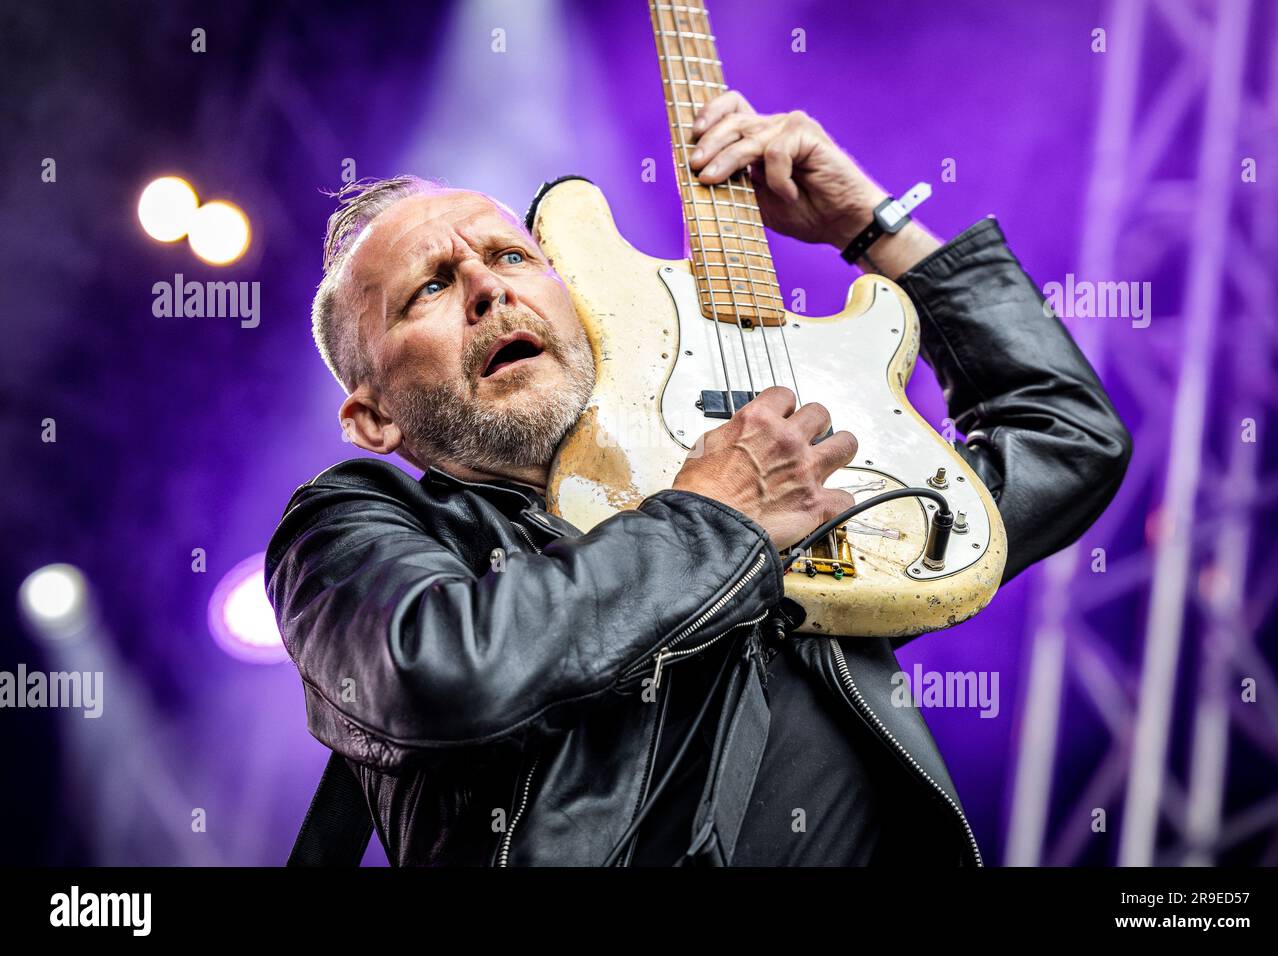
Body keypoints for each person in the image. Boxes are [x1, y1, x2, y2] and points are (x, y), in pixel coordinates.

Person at [265, 91, 1132, 866]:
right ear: (373, 419)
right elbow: (435, 674)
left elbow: (1066, 441)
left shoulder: (767, 481)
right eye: (430, 288)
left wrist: (870, 227)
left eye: (513, 257)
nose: (490, 289)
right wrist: (713, 515)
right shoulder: (350, 521)